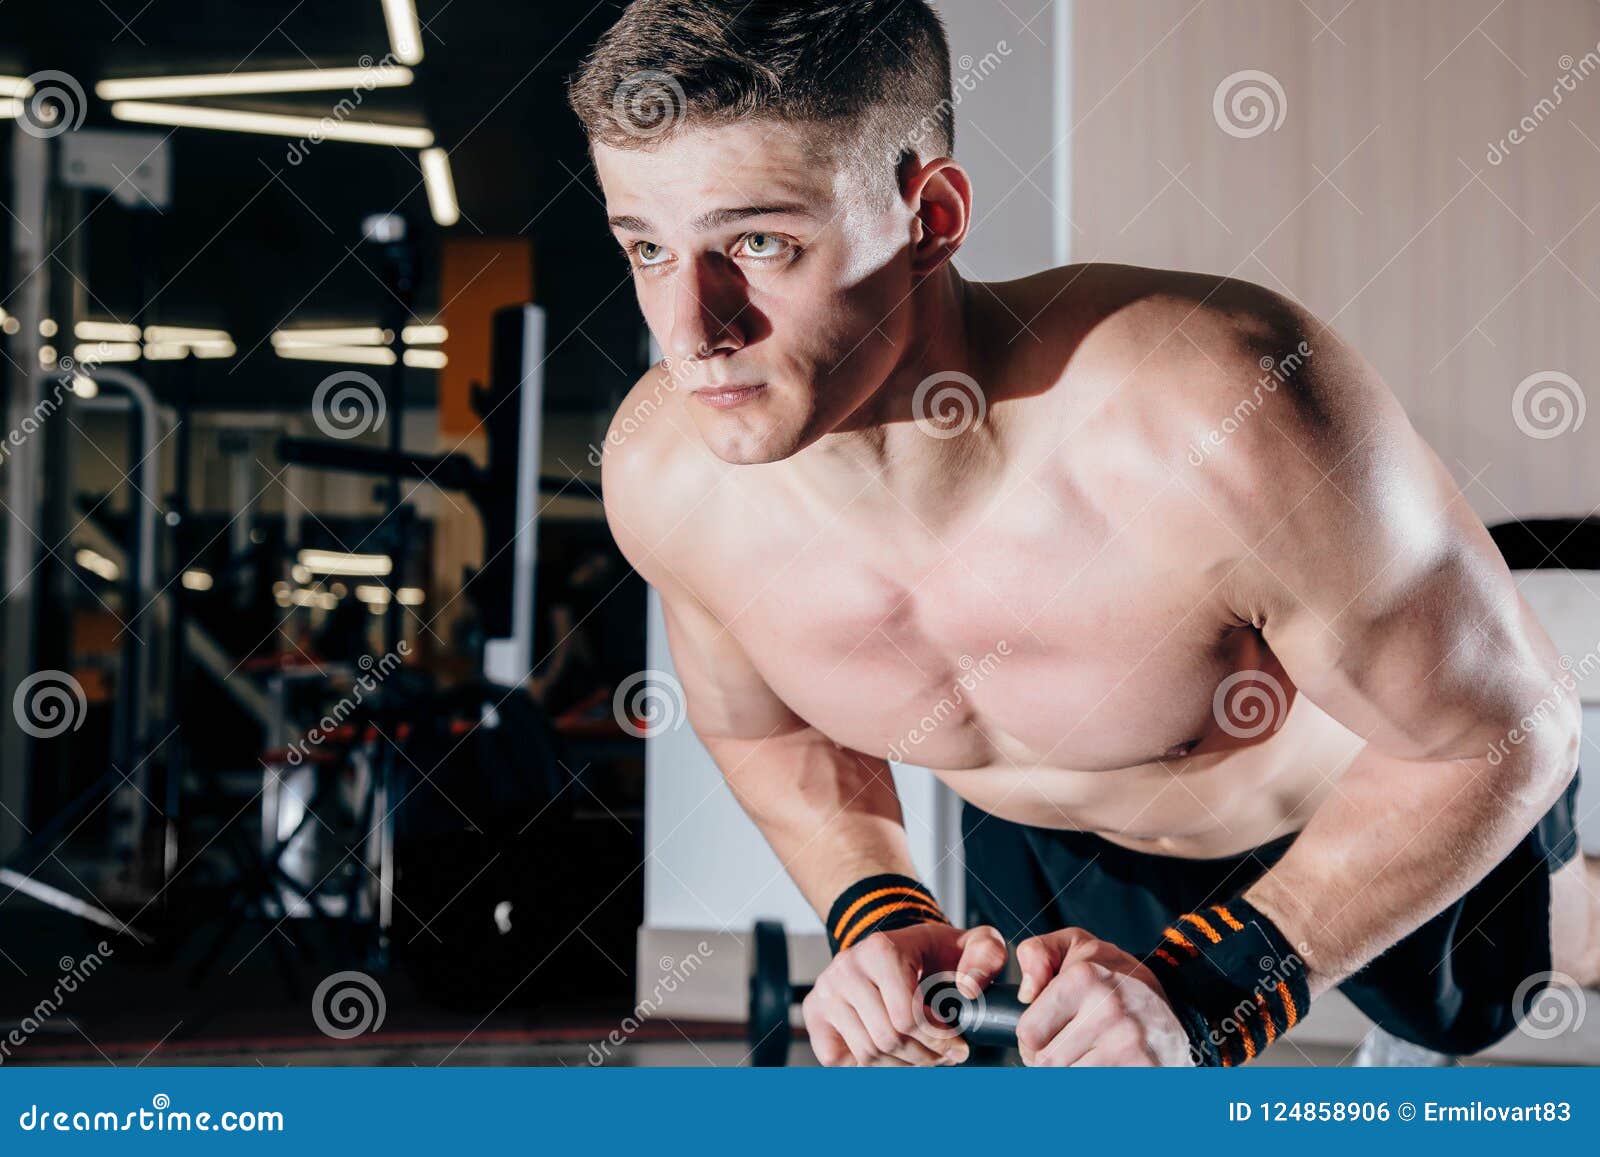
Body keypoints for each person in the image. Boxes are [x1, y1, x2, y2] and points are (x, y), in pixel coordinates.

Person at [566, 0, 1596, 1066]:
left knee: (1542, 966)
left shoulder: (1213, 414)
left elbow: (1508, 731)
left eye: (759, 242)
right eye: (646, 247)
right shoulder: (664, 477)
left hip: (1368, 808)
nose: (691, 331)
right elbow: (765, 731)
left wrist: (1214, 988)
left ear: (930, 217)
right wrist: (874, 908)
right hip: (1052, 848)